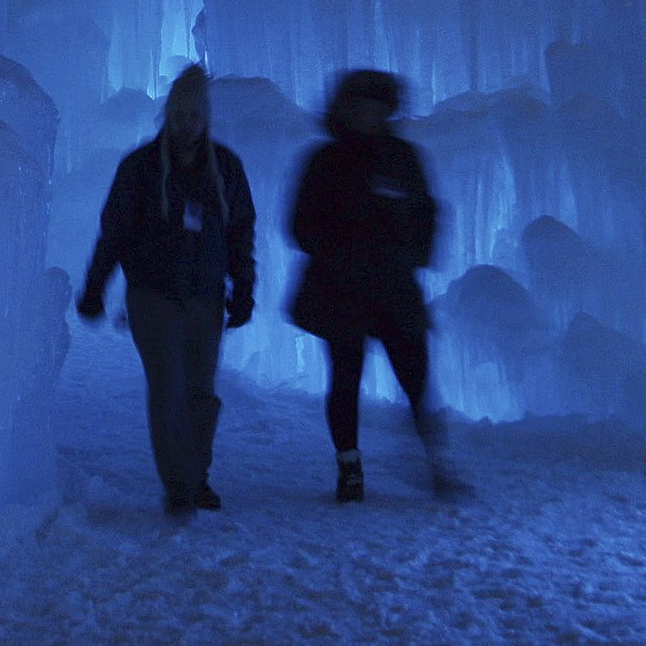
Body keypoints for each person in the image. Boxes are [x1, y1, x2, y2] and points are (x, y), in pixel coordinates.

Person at [77, 65, 257, 517]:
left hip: (205, 296)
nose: (186, 124)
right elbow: (113, 233)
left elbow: (240, 232)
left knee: (201, 391)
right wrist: (95, 287)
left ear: (205, 117)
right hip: (152, 296)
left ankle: (196, 475)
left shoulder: (226, 169)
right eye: (178, 115)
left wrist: (244, 288)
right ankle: (180, 486)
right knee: (168, 388)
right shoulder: (139, 169)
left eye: (194, 115)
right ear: (167, 116)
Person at [285, 68, 456, 504]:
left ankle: (437, 462)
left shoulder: (403, 157)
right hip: (342, 289)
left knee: (416, 378)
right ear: (346, 109)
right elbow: (300, 224)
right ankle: (349, 469)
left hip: (393, 287)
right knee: (345, 378)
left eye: (379, 107)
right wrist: (339, 252)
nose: (371, 114)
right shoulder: (325, 160)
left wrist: (411, 255)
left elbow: (428, 212)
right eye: (362, 106)